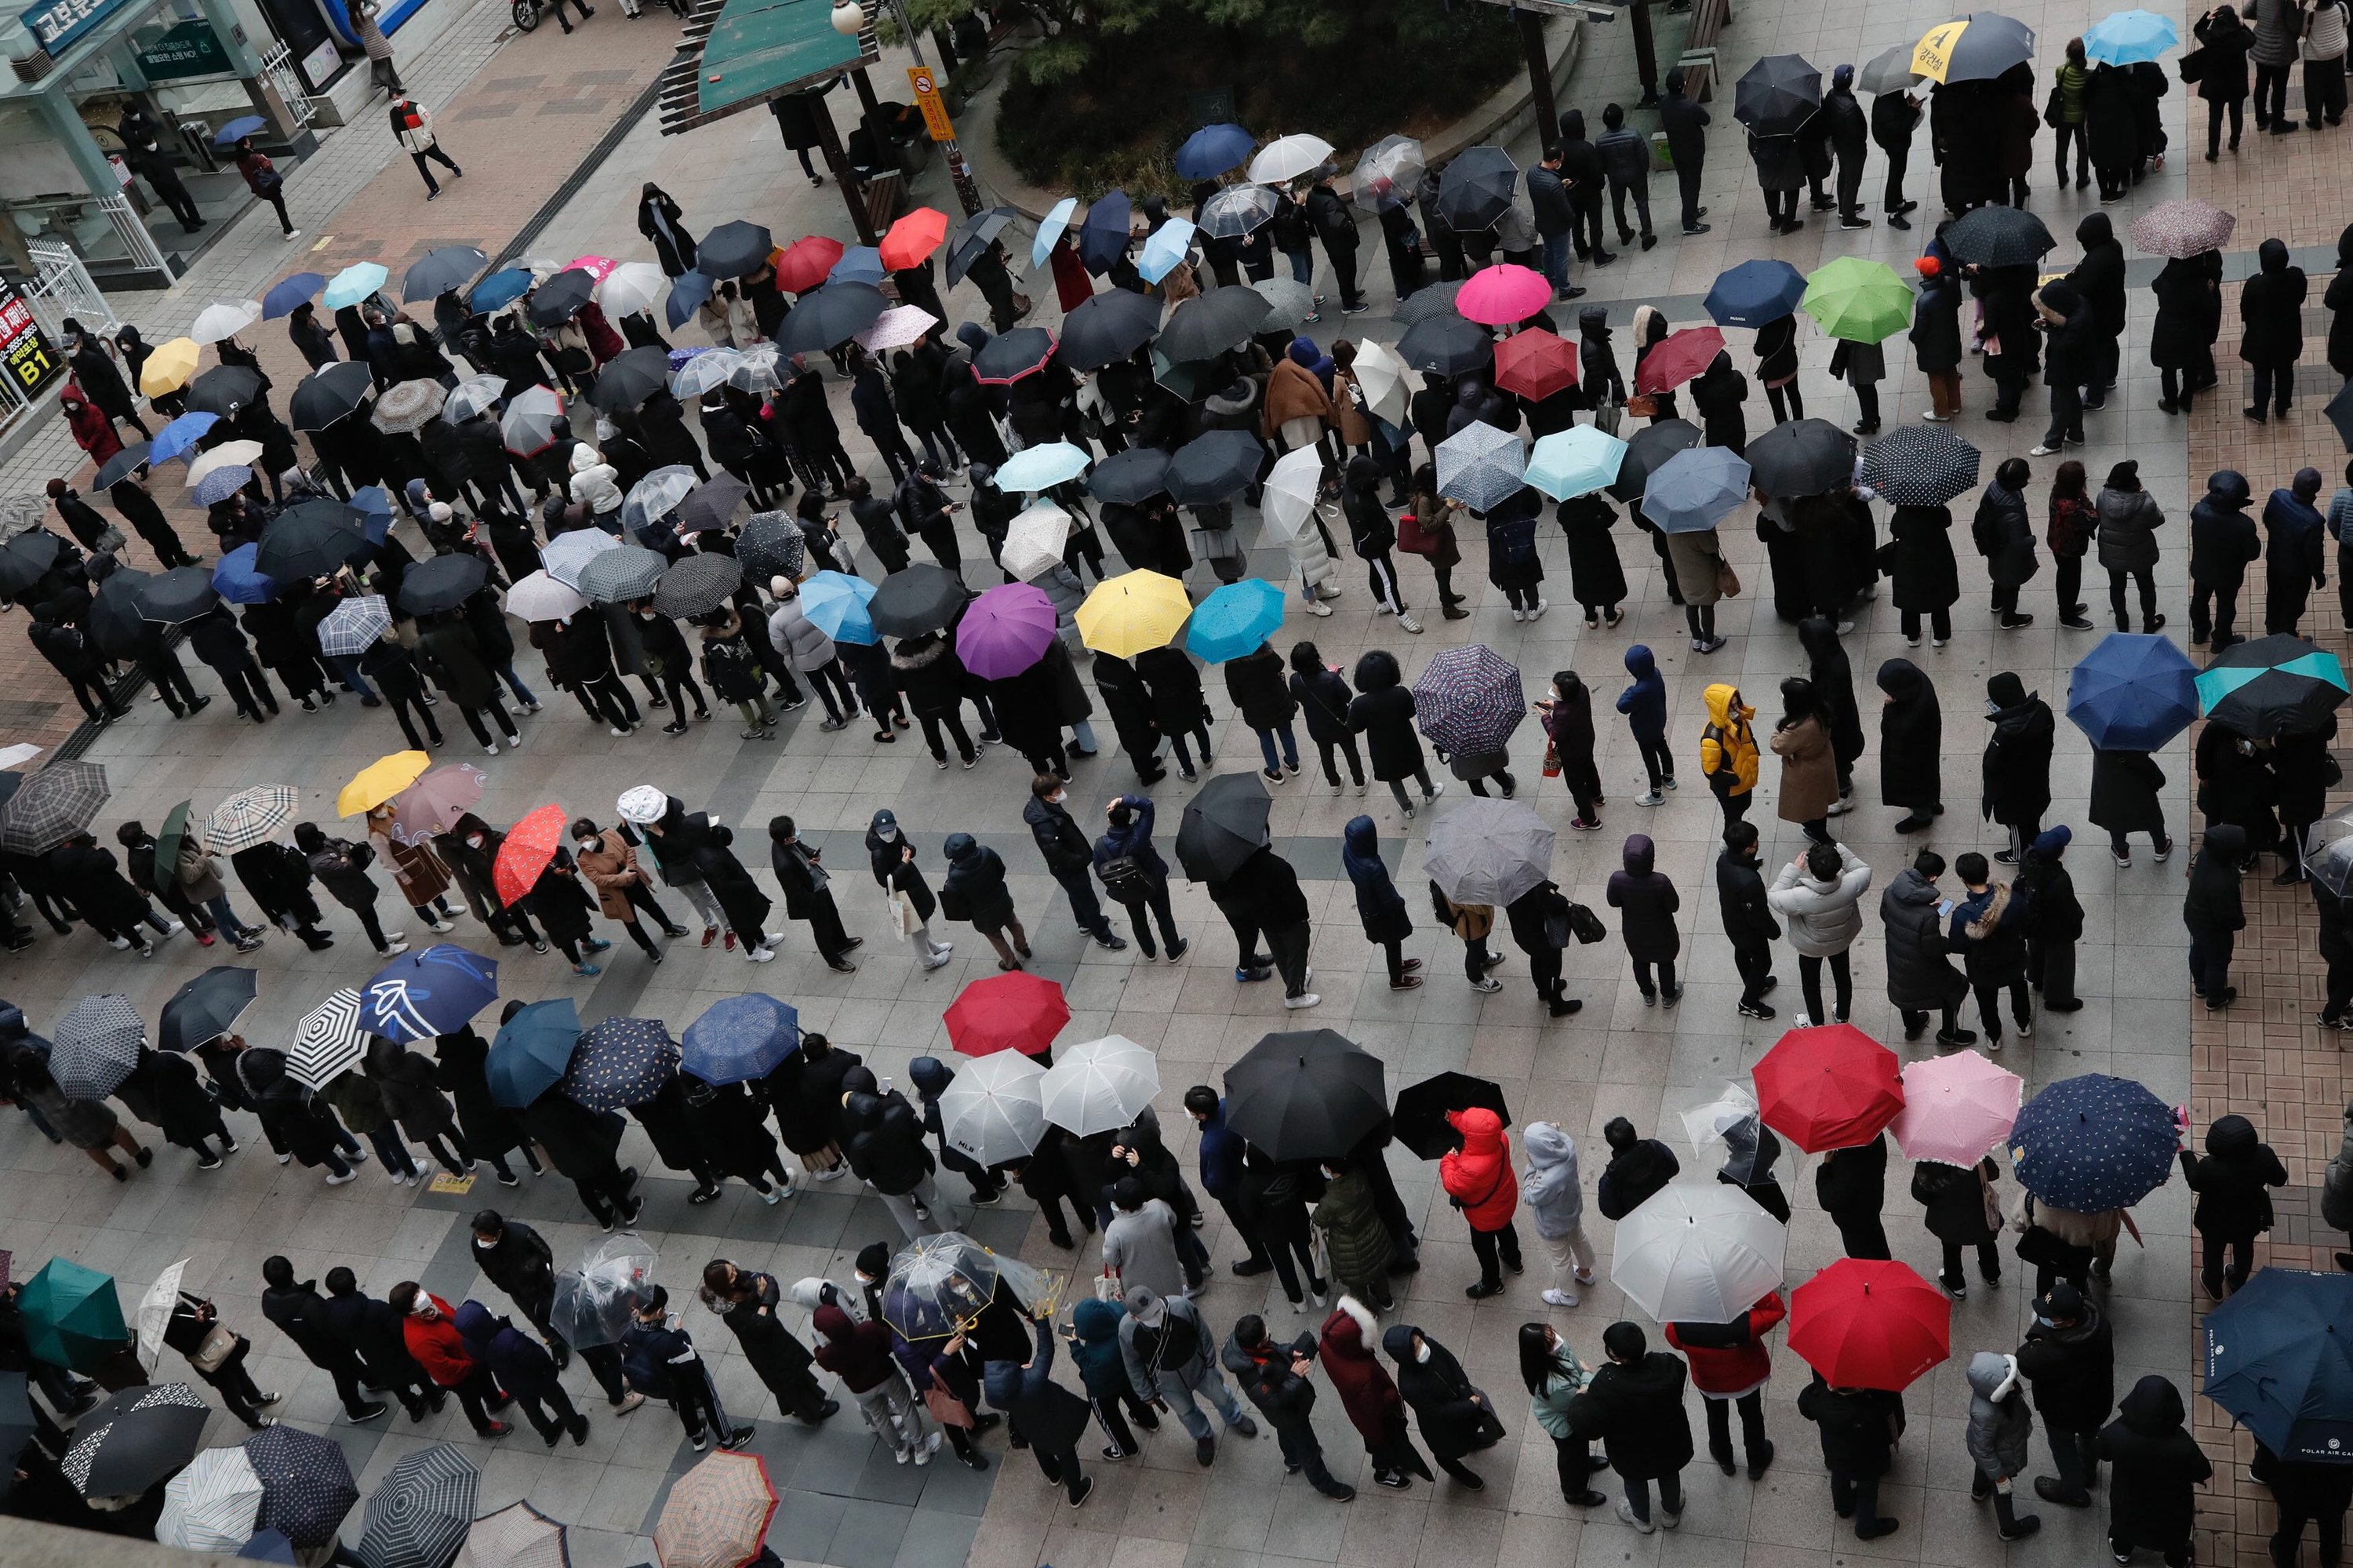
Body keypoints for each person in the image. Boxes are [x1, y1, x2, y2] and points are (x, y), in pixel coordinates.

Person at [1566, 1321, 1691, 1530]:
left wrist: (1582, 1395)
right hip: (1668, 1438)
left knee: (1634, 1480)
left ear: (1615, 1355)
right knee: (1669, 1473)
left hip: (1629, 1448)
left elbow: (1590, 1419)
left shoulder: (1606, 1382)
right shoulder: (1667, 1364)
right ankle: (1671, 1513)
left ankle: (1642, 1519)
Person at [1117, 1283, 1256, 1467]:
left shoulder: (1180, 1306)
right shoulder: (1127, 1330)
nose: (1155, 1316)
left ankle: (1234, 1417)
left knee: (1222, 1397)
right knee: (1186, 1412)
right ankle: (1203, 1435)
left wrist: (1209, 1360)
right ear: (1134, 1317)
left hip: (1200, 1368)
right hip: (1167, 1382)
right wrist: (1145, 1392)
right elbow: (1132, 1364)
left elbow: (1202, 1331)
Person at [1223, 1315, 1358, 1499]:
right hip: (1289, 1414)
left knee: (1285, 1432)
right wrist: (1295, 1376)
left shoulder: (1247, 1347)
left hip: (1284, 1416)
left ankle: (1292, 1459)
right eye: (1265, 1333)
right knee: (1309, 1450)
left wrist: (1290, 1351)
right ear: (1258, 1345)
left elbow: (1275, 1349)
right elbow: (1277, 1401)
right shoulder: (1253, 1378)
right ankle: (1326, 1485)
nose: (1268, 1332)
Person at [2015, 1278, 2114, 1508]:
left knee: (2063, 1447)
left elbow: (2025, 1360)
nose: (2046, 1317)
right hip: (2097, 1402)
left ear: (2068, 1321)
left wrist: (2038, 1334)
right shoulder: (2099, 1323)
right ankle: (2088, 1472)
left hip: (2063, 1413)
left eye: (2051, 1316)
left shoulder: (2055, 1352)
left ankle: (2073, 1491)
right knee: (2090, 1436)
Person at [1664, 1290, 1782, 1480]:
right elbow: (1776, 1310)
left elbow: (1674, 1342)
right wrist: (1749, 1288)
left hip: (1709, 1381)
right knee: (1751, 1417)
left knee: (1716, 1417)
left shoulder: (1680, 1327)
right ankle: (1756, 1462)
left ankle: (1724, 1458)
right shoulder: (1745, 1324)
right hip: (1747, 1379)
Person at [2098, 1377, 2211, 1567]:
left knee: (2124, 1528)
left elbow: (2101, 1451)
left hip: (2128, 1500)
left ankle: (2122, 1552)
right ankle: (2175, 1562)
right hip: (2171, 1508)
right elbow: (2202, 1471)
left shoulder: (2117, 1433)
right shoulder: (2183, 1445)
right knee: (2174, 1539)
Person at [260, 1257, 388, 1423]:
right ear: (291, 1272)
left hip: (314, 1348)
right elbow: (331, 1327)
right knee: (344, 1377)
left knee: (350, 1365)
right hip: (331, 1348)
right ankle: (356, 1410)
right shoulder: (309, 1304)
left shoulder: (269, 1301)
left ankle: (372, 1380)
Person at [985, 1311, 1094, 1505]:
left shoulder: (998, 1398)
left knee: (1041, 1449)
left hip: (1029, 1428)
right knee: (1066, 1453)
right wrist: (1042, 1321)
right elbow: (1045, 1351)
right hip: (1054, 1422)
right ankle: (1076, 1492)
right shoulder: (1032, 1381)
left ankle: (1054, 1475)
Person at [2179, 1112, 2289, 1297]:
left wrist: (2187, 1154)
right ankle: (2238, 1281)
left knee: (2213, 1253)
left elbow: (2194, 1182)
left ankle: (2213, 1285)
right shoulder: (2264, 1155)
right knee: (2245, 1249)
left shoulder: (2209, 1166)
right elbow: (2280, 1179)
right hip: (2250, 1216)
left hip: (2214, 1220)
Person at [453, 1300, 585, 1447]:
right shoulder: (508, 1338)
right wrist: (549, 1369)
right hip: (536, 1377)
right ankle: (577, 1428)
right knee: (558, 1401)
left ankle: (548, 1433)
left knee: (531, 1409)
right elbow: (535, 1354)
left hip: (511, 1383)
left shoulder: (469, 1345)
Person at [1768, 841, 1871, 1027]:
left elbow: (1774, 895)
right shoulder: (1852, 884)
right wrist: (1839, 847)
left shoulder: (1800, 896)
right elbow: (1864, 868)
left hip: (1810, 947)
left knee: (1811, 983)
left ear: (1812, 869)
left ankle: (1817, 1023)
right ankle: (1842, 1016)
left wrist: (1793, 869)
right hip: (1841, 941)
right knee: (1842, 977)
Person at [389, 1282, 511, 1438]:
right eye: (415, 1297)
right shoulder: (419, 1340)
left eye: (417, 1290)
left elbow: (451, 1311)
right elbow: (444, 1366)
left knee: (485, 1376)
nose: (421, 1295)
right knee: (471, 1399)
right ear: (409, 1311)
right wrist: (469, 1364)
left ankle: (494, 1400)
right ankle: (483, 1428)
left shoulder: (428, 1301)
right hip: (458, 1376)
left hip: (472, 1354)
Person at [1021, 777, 1126, 951]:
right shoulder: (1046, 824)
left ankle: (1085, 923)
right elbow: (1057, 853)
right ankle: (1104, 937)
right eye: (1057, 792)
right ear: (1047, 797)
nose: (1061, 793)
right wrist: (1079, 860)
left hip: (1067, 866)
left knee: (1076, 894)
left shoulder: (1044, 808)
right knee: (1088, 901)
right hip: (1069, 868)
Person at [1797, 1370, 1902, 1539]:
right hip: (1867, 1460)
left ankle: (1844, 1507)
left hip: (1834, 1453)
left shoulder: (1816, 1395)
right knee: (1867, 1490)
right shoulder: (1871, 1408)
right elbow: (1888, 1432)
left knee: (1838, 1476)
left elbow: (1805, 1408)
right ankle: (1865, 1528)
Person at [1946, 851, 2034, 1048]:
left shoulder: (1963, 914)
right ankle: (2023, 1023)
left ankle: (1994, 1036)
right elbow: (2027, 926)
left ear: (1963, 879)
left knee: (1986, 1002)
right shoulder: (2013, 899)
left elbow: (1956, 946)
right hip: (2014, 960)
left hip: (1982, 969)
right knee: (2019, 989)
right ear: (1988, 872)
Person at [1348, 649, 1443, 817]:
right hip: (1405, 739)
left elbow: (1355, 728)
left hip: (1381, 748)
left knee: (1393, 776)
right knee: (1417, 766)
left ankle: (1406, 807)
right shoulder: (1401, 693)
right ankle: (1429, 792)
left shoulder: (1359, 704)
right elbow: (1412, 712)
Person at [1437, 1108, 1520, 1300]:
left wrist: (1448, 1159)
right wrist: (1453, 1117)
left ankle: (1492, 1282)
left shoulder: (1470, 1167)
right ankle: (1514, 1259)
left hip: (1484, 1217)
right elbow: (1474, 1129)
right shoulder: (1501, 1139)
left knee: (1484, 1249)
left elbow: (1452, 1185)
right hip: (1505, 1201)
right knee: (1506, 1230)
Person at [1095, 795, 1185, 961]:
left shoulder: (1100, 845)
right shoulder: (1140, 836)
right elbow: (1148, 806)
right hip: (1154, 882)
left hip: (1127, 889)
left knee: (1138, 921)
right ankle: (1173, 950)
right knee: (1164, 916)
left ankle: (1149, 952)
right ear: (1130, 817)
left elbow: (1100, 872)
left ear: (1110, 821)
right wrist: (1122, 800)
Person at [1983, 673, 2057, 862]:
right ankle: (2034, 838)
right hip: (2037, 781)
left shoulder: (2006, 732)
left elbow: (1992, 764)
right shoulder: (2042, 710)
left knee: (2017, 826)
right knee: (2031, 820)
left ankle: (2018, 854)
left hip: (2014, 795)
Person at [1340, 816, 1418, 990]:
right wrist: (1400, 903)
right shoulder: (1374, 867)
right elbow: (1388, 899)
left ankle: (1398, 964)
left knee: (1390, 943)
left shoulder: (1348, 851)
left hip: (1366, 904)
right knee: (1393, 943)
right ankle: (1397, 979)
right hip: (1383, 913)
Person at [1604, 833, 1681, 1004]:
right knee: (1666, 962)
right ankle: (1668, 996)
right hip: (1662, 932)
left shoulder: (1617, 879)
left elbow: (1613, 902)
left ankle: (1647, 993)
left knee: (1639, 961)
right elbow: (1674, 906)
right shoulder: (1661, 881)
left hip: (1634, 932)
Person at [1715, 823, 1781, 1020]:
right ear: (1748, 850)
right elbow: (1758, 915)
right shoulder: (1750, 881)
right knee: (1763, 961)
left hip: (1731, 920)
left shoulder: (1723, 861)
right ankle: (1748, 1002)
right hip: (1748, 930)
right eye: (1755, 843)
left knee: (1742, 953)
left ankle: (1755, 983)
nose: (1757, 844)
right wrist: (1774, 931)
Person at [1913, 1154, 2002, 1299]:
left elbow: (1918, 1193)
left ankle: (1957, 1286)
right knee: (1986, 1241)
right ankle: (1991, 1275)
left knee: (1951, 1248)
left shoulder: (1929, 1159)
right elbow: (1994, 1172)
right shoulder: (1974, 1152)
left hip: (1947, 1216)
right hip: (1978, 1211)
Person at [2190, 468, 2260, 648]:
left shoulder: (2199, 512)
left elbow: (2205, 501)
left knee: (2199, 599)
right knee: (2226, 606)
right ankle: (2221, 640)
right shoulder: (2244, 525)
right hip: (2228, 576)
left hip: (2202, 569)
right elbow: (2253, 554)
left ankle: (2199, 631)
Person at [2255, 1439, 2353, 1568]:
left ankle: (2285, 1558)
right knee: (2332, 1524)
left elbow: (2266, 1445)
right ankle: (2330, 1557)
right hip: (2335, 1493)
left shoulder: (2291, 1426)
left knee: (2291, 1526)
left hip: (2296, 1491)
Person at [2241, 237, 2308, 421]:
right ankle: (2282, 406)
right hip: (2289, 336)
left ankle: (2260, 412)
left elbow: (2245, 311)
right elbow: (2300, 298)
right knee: (2285, 371)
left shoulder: (2255, 284)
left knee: (2262, 374)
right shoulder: (2296, 277)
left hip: (2262, 340)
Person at [2184, 823, 2249, 1009]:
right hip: (2214, 929)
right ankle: (2216, 998)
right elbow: (2228, 916)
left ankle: (2201, 987)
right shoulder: (2222, 883)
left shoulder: (2206, 855)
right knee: (2217, 962)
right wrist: (2239, 922)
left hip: (2194, 916)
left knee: (2198, 949)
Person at [1291, 642, 1366, 795]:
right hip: (1340, 722)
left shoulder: (1295, 680)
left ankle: (1334, 784)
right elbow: (1348, 696)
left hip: (1316, 725)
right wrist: (1332, 675)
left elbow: (1297, 696)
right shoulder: (1331, 679)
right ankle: (1359, 783)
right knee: (1350, 750)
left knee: (1325, 752)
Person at [1769, 678, 1838, 843]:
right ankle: (1819, 830)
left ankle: (1821, 836)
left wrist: (1776, 732)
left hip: (1806, 771)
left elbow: (1778, 745)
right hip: (1823, 760)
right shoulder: (1821, 711)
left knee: (1804, 807)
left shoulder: (1798, 728)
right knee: (1818, 803)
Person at [2264, 466, 2329, 636]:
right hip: (2296, 573)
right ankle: (2287, 634)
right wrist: (2318, 575)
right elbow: (2313, 554)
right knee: (2293, 604)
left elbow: (2267, 520)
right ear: (2314, 492)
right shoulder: (2314, 521)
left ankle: (2271, 625)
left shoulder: (2277, 496)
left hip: (2274, 559)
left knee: (2274, 594)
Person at [1538, 671, 1603, 829]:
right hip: (1587, 740)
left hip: (1572, 753)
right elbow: (1573, 706)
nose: (1553, 690)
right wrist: (1556, 705)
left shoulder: (1563, 713)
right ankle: (1597, 795)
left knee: (1576, 785)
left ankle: (1589, 819)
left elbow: (1556, 735)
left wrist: (1545, 716)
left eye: (1556, 689)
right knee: (1589, 767)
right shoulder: (1582, 690)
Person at [1815, 1132, 1890, 1260]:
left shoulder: (1850, 1169)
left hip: (1854, 1220)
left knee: (1862, 1253)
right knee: (1877, 1240)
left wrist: (1825, 1167)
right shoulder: (1876, 1137)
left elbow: (1828, 1200)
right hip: (1872, 1203)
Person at [1615, 645, 1675, 806]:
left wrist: (1629, 690)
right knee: (1662, 748)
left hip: (1644, 730)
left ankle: (1656, 794)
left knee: (1650, 760)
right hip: (1658, 721)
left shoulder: (1638, 691)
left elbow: (1621, 706)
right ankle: (1669, 778)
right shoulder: (1656, 673)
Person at [1658, 67, 1711, 234]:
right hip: (1693, 152)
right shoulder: (1690, 106)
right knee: (1693, 185)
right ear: (1683, 85)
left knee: (1685, 183)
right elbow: (1706, 120)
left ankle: (1692, 210)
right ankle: (1689, 222)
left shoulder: (1664, 103)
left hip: (1677, 150)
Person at [1595, 103, 1657, 249]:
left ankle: (1624, 233)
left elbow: (1600, 162)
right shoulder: (1633, 135)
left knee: (1618, 206)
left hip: (1615, 177)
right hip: (1636, 175)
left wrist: (1608, 172)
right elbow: (1643, 156)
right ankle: (1647, 235)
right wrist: (1643, 170)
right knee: (1642, 203)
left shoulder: (1600, 141)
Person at [1594, 1116, 1678, 1220]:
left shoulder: (1610, 1180)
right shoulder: (1654, 1148)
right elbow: (1674, 1167)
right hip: (1664, 1203)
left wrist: (1626, 1213)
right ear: (1635, 1136)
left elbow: (1610, 1210)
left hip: (1637, 1219)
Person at [390, 97, 461, 198]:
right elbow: (395, 129)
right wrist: (404, 143)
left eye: (397, 98)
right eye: (393, 99)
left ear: (401, 96)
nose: (396, 100)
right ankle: (434, 189)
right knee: (422, 169)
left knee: (440, 157)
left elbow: (428, 121)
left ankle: (453, 167)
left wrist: (426, 138)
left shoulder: (415, 107)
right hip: (414, 148)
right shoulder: (393, 114)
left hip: (427, 144)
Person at [232, 136, 298, 239]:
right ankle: (289, 231)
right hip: (269, 186)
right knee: (280, 207)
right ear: (245, 145)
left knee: (279, 206)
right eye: (248, 141)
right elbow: (268, 167)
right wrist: (264, 159)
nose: (250, 142)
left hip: (259, 187)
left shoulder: (240, 161)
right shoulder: (255, 157)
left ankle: (288, 230)